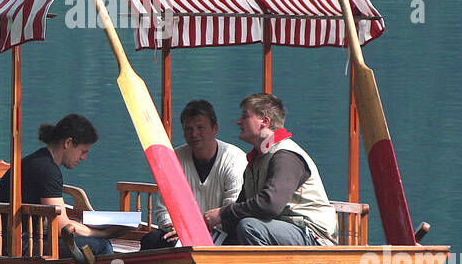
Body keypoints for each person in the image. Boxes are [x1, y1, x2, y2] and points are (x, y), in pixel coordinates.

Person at [203, 93, 339, 246]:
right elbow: (242, 208)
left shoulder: (286, 155)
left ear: (265, 122)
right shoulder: (256, 161)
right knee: (235, 231)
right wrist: (206, 228)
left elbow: (270, 204)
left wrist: (222, 213)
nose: (238, 121)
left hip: (311, 235)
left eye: (245, 116)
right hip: (281, 232)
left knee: (250, 227)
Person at [0, 114, 115, 257]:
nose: (83, 158)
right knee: (101, 246)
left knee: (93, 242)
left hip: (10, 239)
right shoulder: (47, 170)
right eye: (83, 151)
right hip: (20, 245)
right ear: (68, 143)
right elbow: (61, 228)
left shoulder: (38, 160)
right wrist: (102, 233)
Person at [140, 100, 246, 249]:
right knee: (150, 240)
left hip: (222, 233)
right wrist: (176, 228)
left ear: (215, 129)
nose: (194, 134)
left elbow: (232, 208)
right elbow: (163, 207)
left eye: (200, 128)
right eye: (188, 129)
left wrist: (199, 231)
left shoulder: (234, 159)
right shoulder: (174, 159)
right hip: (180, 232)